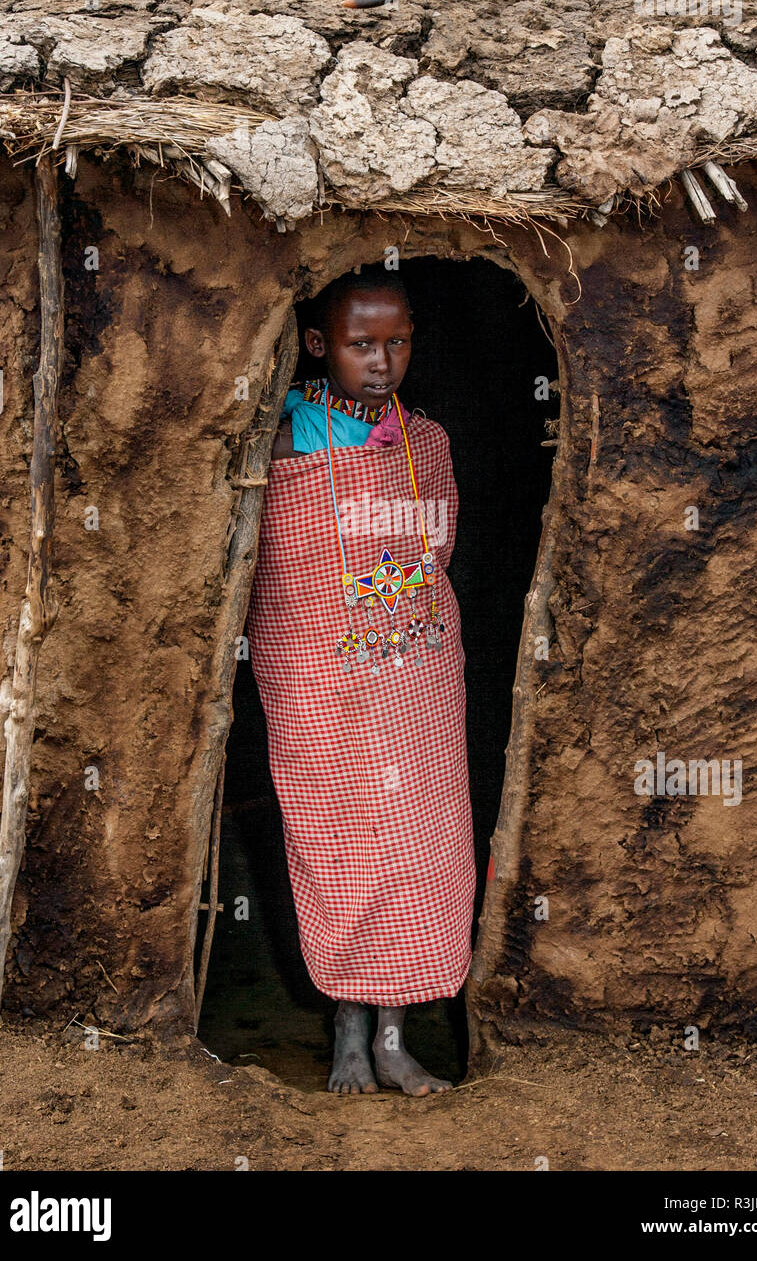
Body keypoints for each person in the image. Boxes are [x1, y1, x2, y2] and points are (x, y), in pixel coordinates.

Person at [246, 265, 476, 1096]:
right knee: (342, 844)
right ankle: (345, 1031)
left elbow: (433, 559)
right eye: (360, 345)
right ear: (318, 346)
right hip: (321, 683)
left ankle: (392, 1039)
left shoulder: (428, 445)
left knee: (417, 849)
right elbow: (274, 572)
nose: (382, 362)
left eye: (397, 343)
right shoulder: (282, 440)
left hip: (413, 682)